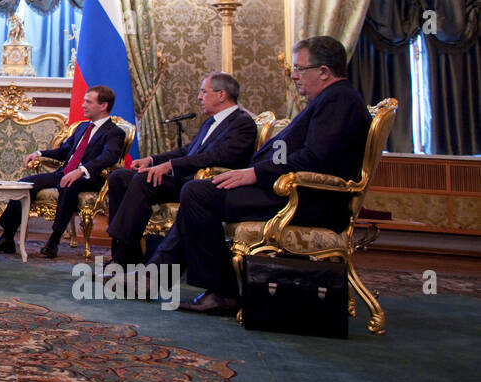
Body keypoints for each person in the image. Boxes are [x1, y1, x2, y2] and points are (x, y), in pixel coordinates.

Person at [149, 35, 372, 314]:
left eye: (300, 69)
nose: (294, 76)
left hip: (304, 200)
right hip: (287, 191)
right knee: (200, 191)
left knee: (197, 193)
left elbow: (315, 158)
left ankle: (219, 292)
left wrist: (255, 173)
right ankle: (160, 274)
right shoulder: (332, 99)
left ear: (324, 72)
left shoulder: (339, 101)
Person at [105, 73, 256, 267]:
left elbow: (218, 157)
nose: (199, 97)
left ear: (221, 95)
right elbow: (186, 151)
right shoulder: (211, 122)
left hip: (202, 185)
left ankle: (122, 259)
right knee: (119, 177)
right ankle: (126, 253)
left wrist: (170, 166)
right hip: (185, 178)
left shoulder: (241, 123)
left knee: (143, 180)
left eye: (203, 92)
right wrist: (151, 160)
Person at [0, 85, 126, 258]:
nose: (83, 105)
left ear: (103, 106)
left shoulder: (115, 133)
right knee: (24, 185)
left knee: (69, 185)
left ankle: (53, 241)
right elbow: (63, 151)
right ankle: (7, 237)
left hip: (90, 178)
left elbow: (108, 158)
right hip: (63, 172)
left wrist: (81, 170)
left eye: (88, 102)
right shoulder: (82, 128)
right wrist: (39, 153)